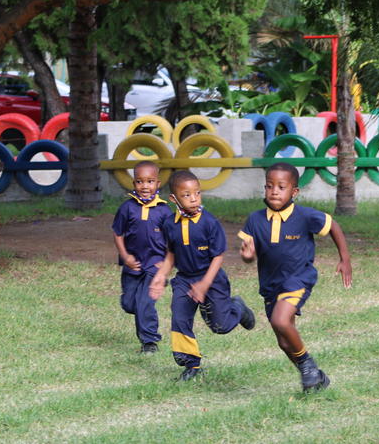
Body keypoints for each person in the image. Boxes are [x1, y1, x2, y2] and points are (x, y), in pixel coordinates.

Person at [238, 162, 352, 392]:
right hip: (270, 286)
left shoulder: (304, 216)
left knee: (281, 321)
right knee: (283, 341)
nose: (274, 191)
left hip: (298, 278)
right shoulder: (255, 219)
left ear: (294, 192)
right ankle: (316, 377)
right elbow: (249, 257)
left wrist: (345, 258)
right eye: (270, 186)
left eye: (281, 187)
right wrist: (249, 256)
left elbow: (333, 226)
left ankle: (308, 365)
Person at [149, 171, 256, 382]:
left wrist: (205, 284)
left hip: (211, 278)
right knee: (179, 318)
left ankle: (237, 308)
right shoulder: (170, 224)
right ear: (174, 198)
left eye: (197, 193)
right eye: (187, 195)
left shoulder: (210, 223)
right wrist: (161, 275)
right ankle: (192, 365)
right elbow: (171, 254)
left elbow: (218, 257)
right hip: (184, 281)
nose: (194, 198)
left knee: (220, 326)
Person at [112, 161, 173, 354]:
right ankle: (137, 307)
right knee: (130, 304)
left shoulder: (164, 210)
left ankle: (149, 342)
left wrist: (165, 265)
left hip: (154, 265)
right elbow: (118, 232)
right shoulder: (127, 207)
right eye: (140, 181)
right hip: (133, 264)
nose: (145, 186)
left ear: (158, 183)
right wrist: (124, 255)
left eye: (150, 181)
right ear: (134, 183)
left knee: (144, 302)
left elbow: (172, 240)